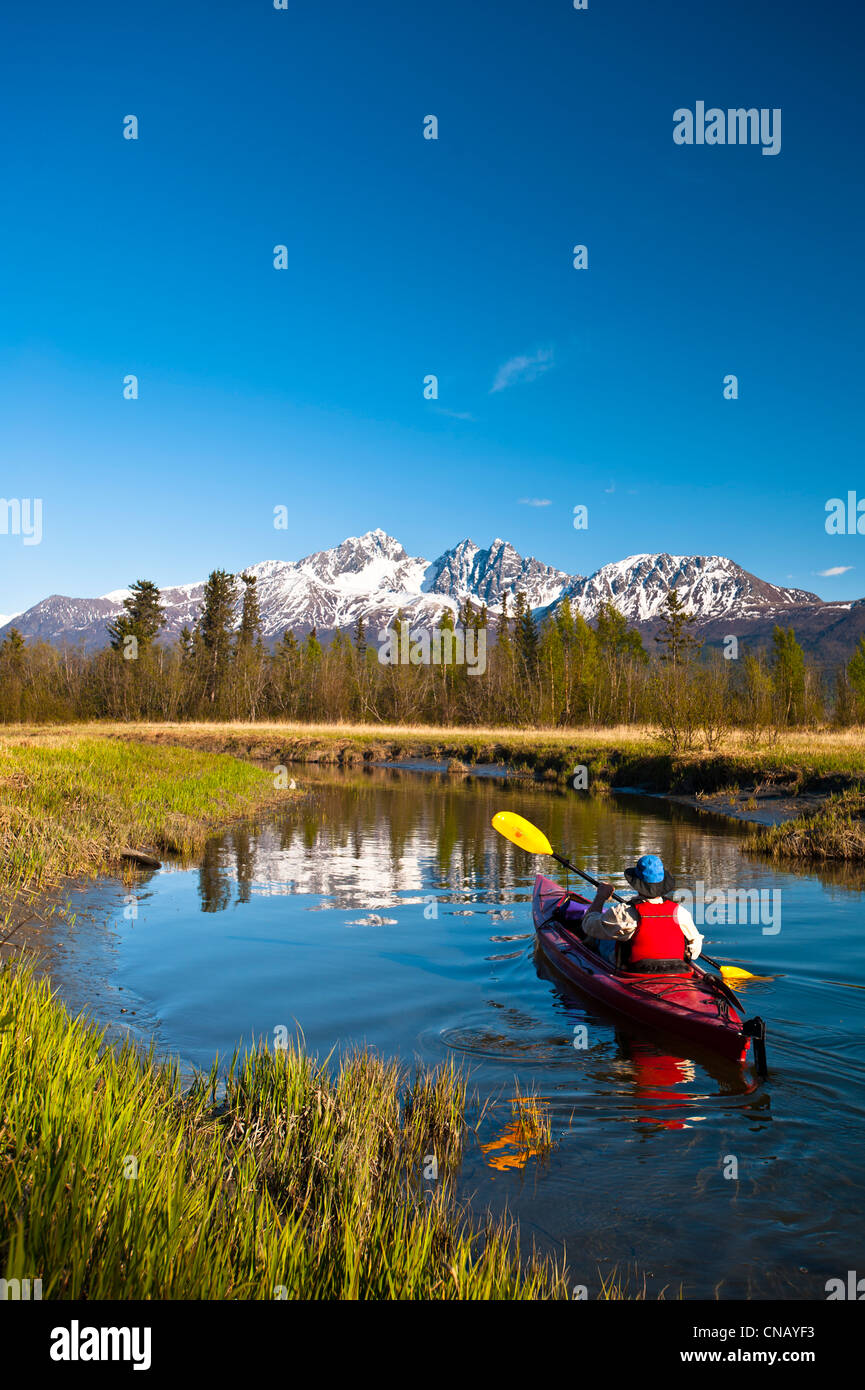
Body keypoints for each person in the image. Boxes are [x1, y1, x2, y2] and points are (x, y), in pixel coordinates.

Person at [581, 853, 703, 971]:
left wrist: (601, 896)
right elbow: (695, 949)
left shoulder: (624, 913)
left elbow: (587, 925)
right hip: (676, 970)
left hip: (633, 971)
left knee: (602, 937)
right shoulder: (681, 913)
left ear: (636, 884)